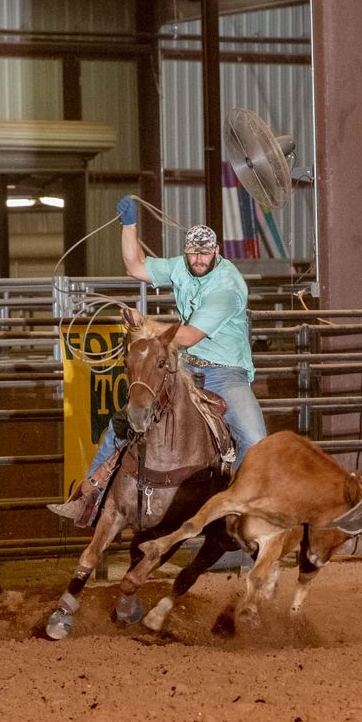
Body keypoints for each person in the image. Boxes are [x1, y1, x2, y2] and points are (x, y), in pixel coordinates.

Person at [49, 195, 267, 525]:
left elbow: (189, 335)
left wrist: (144, 325)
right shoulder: (182, 266)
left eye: (204, 253)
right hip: (185, 366)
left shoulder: (228, 287)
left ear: (217, 252)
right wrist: (128, 225)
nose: (198, 259)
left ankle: (240, 515)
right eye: (193, 252)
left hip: (226, 372)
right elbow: (135, 266)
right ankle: (89, 495)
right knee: (126, 419)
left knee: (255, 439)